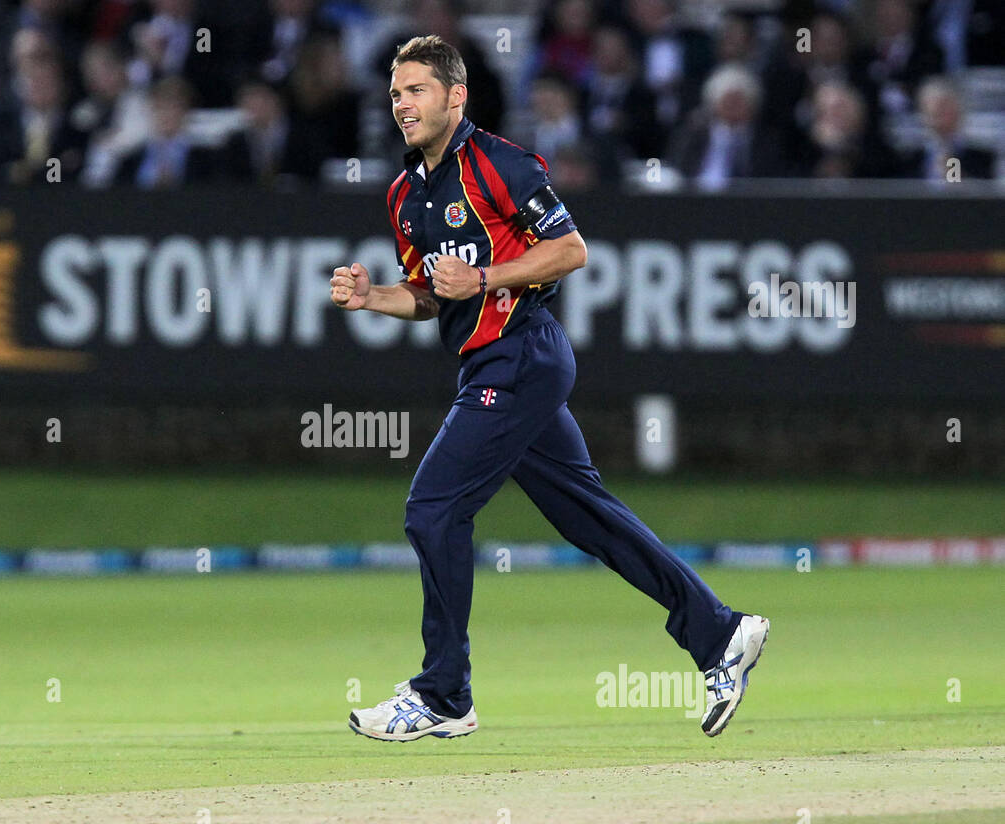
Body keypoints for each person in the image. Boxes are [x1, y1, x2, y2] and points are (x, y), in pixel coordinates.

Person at [329, 35, 768, 742]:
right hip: (491, 364)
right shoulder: (406, 195)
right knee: (589, 519)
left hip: (522, 356)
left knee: (433, 510)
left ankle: (445, 694)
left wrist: (484, 279)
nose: (401, 104)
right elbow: (431, 297)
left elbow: (570, 249)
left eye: (415, 90)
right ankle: (720, 634)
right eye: (395, 92)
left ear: (456, 95)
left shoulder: (499, 164)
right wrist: (373, 297)